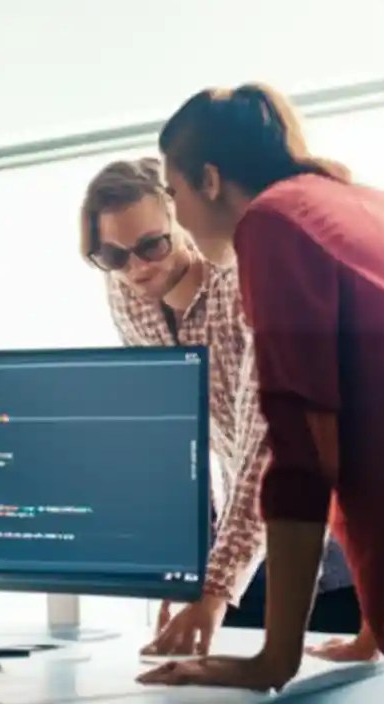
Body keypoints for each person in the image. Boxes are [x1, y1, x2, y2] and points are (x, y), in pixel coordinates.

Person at [137, 83, 384, 700]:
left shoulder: (269, 223)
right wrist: (373, 632)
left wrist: (272, 658)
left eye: (173, 191)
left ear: (208, 180)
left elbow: (302, 454)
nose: (176, 214)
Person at [80, 158, 360, 656]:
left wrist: (213, 590)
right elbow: (170, 441)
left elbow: (267, 441)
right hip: (251, 535)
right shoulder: (126, 289)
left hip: (342, 531)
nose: (137, 267)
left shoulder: (243, 280)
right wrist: (182, 574)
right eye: (115, 255)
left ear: (180, 222)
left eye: (152, 245)